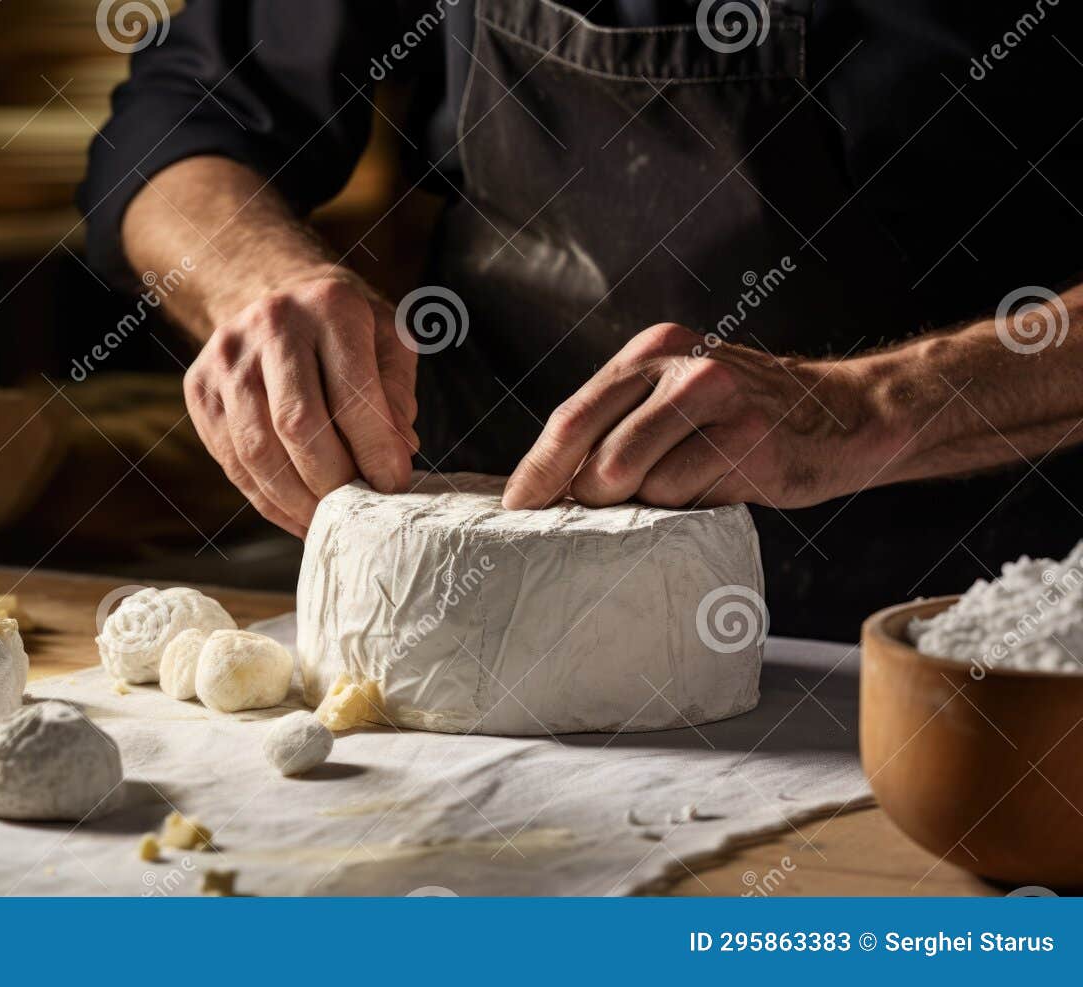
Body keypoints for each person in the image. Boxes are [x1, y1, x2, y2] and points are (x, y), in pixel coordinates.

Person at [80, 0, 1083, 637]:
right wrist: (253, 280)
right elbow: (185, 112)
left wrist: (873, 406)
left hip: (983, 615)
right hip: (486, 593)